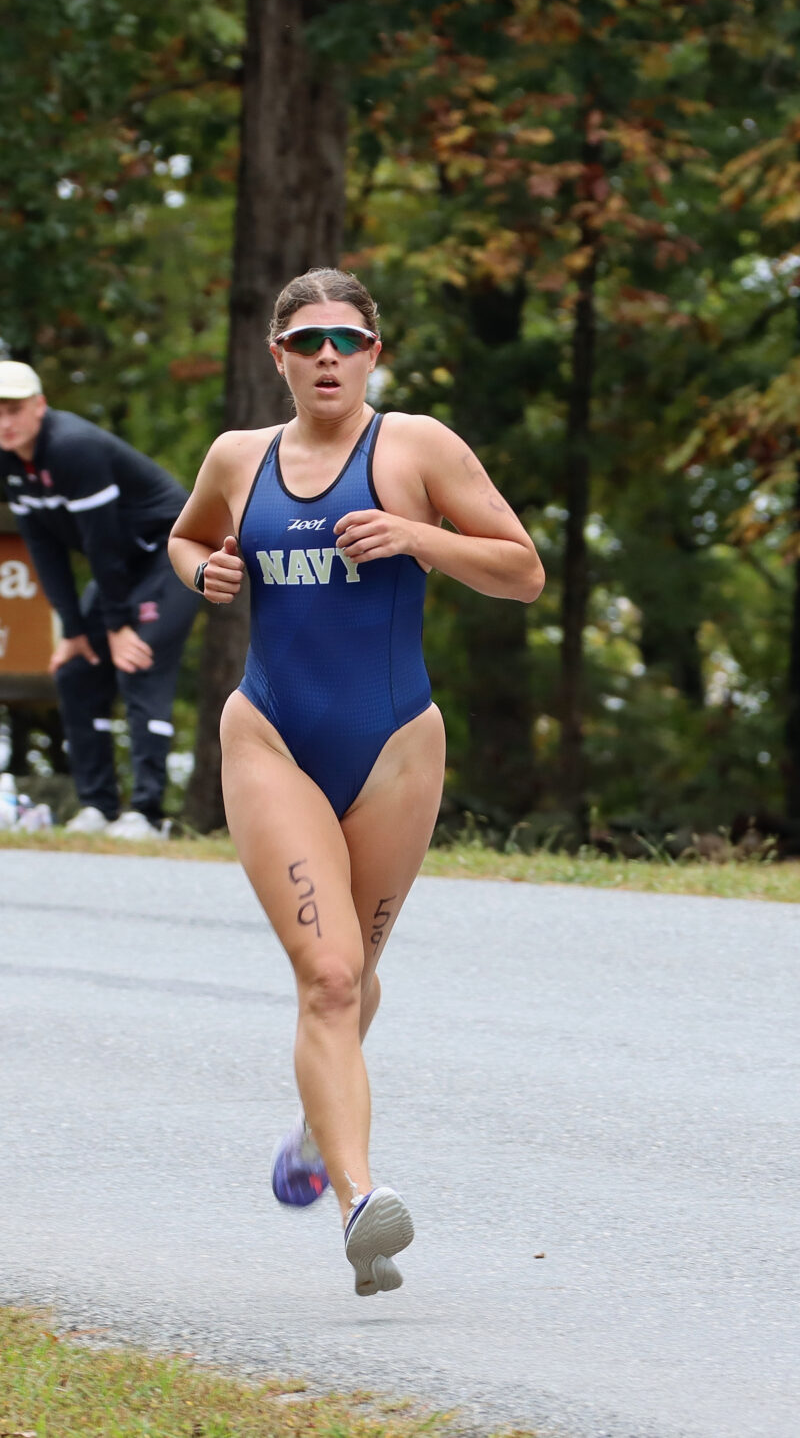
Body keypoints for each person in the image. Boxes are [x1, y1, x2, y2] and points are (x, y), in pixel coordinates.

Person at [168, 269, 544, 1295]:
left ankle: (313, 1125)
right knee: (330, 974)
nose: (326, 354)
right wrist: (200, 569)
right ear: (277, 356)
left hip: (396, 750)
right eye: (305, 340)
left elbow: (522, 567)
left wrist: (416, 536)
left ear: (375, 352)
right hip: (270, 739)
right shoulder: (238, 458)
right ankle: (361, 1202)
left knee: (356, 970)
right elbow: (187, 533)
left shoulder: (416, 448)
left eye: (345, 337)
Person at [0, 361, 199, 841]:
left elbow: (103, 545)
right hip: (121, 569)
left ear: (40, 406)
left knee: (138, 663)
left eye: (14, 409)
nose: (4, 422)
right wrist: (75, 632)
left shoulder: (72, 447)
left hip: (167, 556)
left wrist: (119, 628)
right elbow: (44, 547)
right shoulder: (2, 456)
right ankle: (97, 805)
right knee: (77, 670)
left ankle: (147, 814)